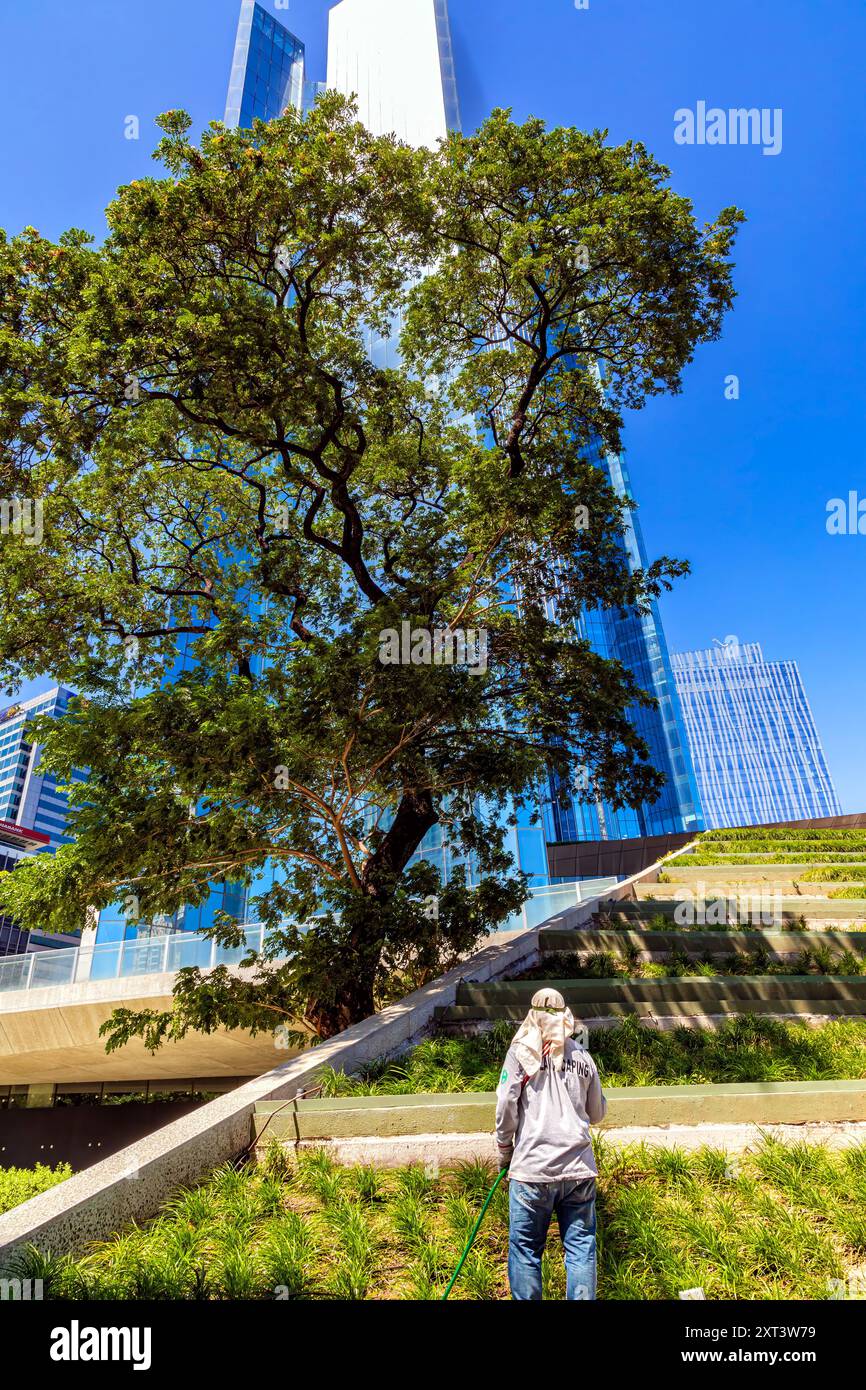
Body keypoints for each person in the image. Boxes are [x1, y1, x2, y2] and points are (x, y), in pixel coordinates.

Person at [495, 986, 606, 1301]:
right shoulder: (583, 1057)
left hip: (532, 1171)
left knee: (526, 1249)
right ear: (566, 1016)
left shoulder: (519, 1053)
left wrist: (505, 1152)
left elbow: (505, 1104)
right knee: (581, 1248)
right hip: (579, 1172)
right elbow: (596, 1113)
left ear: (532, 1015)